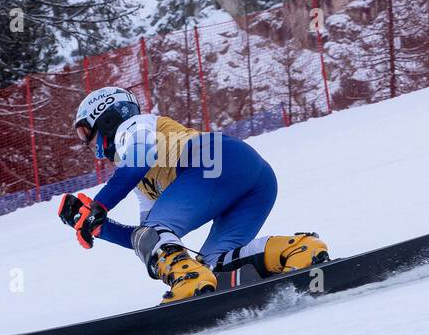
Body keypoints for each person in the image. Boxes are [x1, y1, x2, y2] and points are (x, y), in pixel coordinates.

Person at [58, 87, 328, 303]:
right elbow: (147, 240)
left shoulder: (135, 126)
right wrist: (98, 227)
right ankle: (298, 250)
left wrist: (96, 207)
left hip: (215, 160)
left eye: (85, 131)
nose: (87, 143)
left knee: (166, 245)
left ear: (106, 118)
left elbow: (138, 162)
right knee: (215, 267)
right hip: (255, 179)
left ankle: (189, 281)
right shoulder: (141, 182)